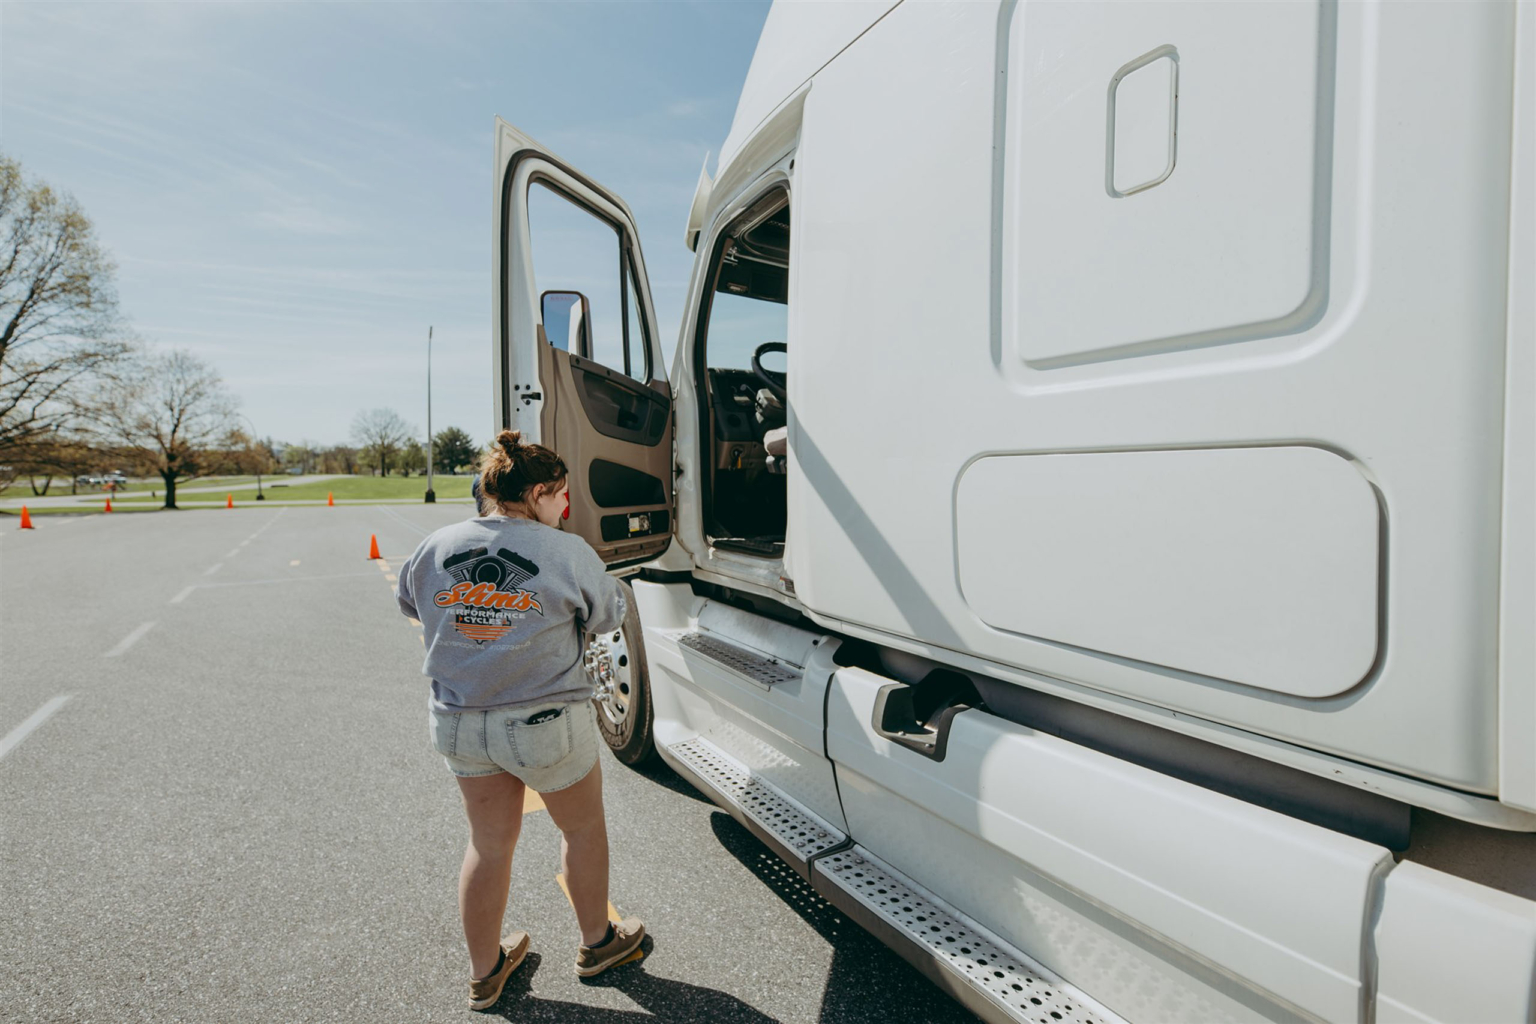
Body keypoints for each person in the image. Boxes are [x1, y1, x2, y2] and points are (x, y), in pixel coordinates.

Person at [396, 429, 644, 1010]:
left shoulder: (436, 543)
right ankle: (598, 942)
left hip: (458, 720)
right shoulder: (566, 549)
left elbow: (411, 601)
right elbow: (609, 614)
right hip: (545, 721)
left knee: (488, 843)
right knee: (581, 829)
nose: (566, 507)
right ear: (536, 493)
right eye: (560, 495)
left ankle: (485, 974)